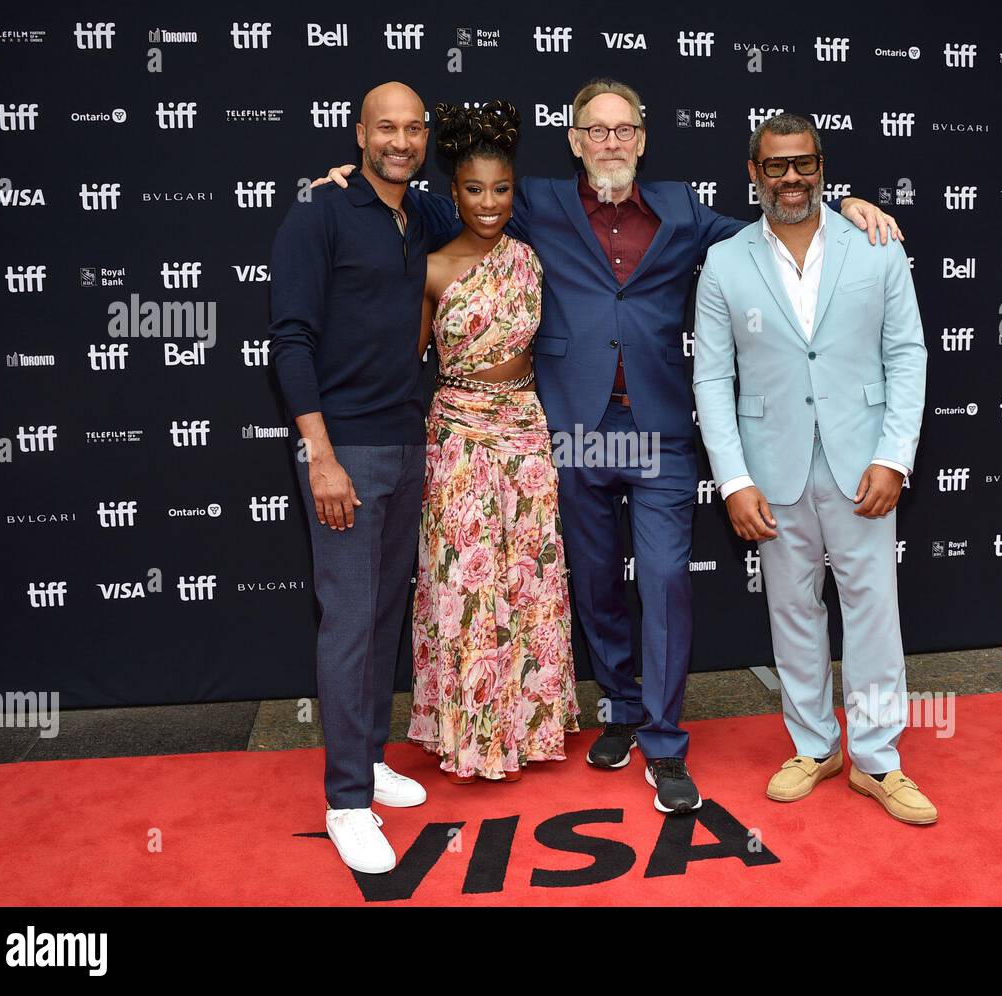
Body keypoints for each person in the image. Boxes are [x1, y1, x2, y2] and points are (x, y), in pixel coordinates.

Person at [319, 77, 903, 815]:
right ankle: (623, 708)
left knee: (662, 579)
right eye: (595, 131)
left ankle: (663, 741)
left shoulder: (684, 209)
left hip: (657, 431)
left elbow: (771, 233)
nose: (610, 143)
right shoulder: (536, 202)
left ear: (643, 137)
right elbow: (452, 205)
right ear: (573, 141)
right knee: (593, 584)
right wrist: (362, 185)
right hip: (570, 431)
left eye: (623, 130)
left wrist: (845, 208)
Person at [693, 113, 935, 824]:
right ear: (753, 173)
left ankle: (879, 758)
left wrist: (893, 457)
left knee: (874, 616)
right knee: (792, 612)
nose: (790, 178)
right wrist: (735, 480)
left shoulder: (875, 242)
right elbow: (712, 378)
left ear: (822, 166)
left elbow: (908, 356)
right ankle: (813, 744)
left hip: (863, 465)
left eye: (802, 163)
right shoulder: (727, 261)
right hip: (773, 472)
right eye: (775, 166)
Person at [267, 82, 439, 876]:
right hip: (346, 452)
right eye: (385, 129)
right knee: (346, 625)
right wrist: (321, 454)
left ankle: (368, 761)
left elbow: (505, 206)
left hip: (410, 445)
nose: (399, 141)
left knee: (379, 619)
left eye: (412, 129)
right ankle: (344, 803)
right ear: (359, 133)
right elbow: (291, 339)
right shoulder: (320, 214)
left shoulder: (422, 216)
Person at [409, 100, 579, 783]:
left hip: (527, 431)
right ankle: (470, 736)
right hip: (458, 434)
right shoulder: (432, 268)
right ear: (453, 193)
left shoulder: (530, 260)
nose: (487, 202)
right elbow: (405, 362)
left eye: (501, 189)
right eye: (473, 189)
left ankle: (529, 731)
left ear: (516, 191)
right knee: (466, 588)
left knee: (528, 583)